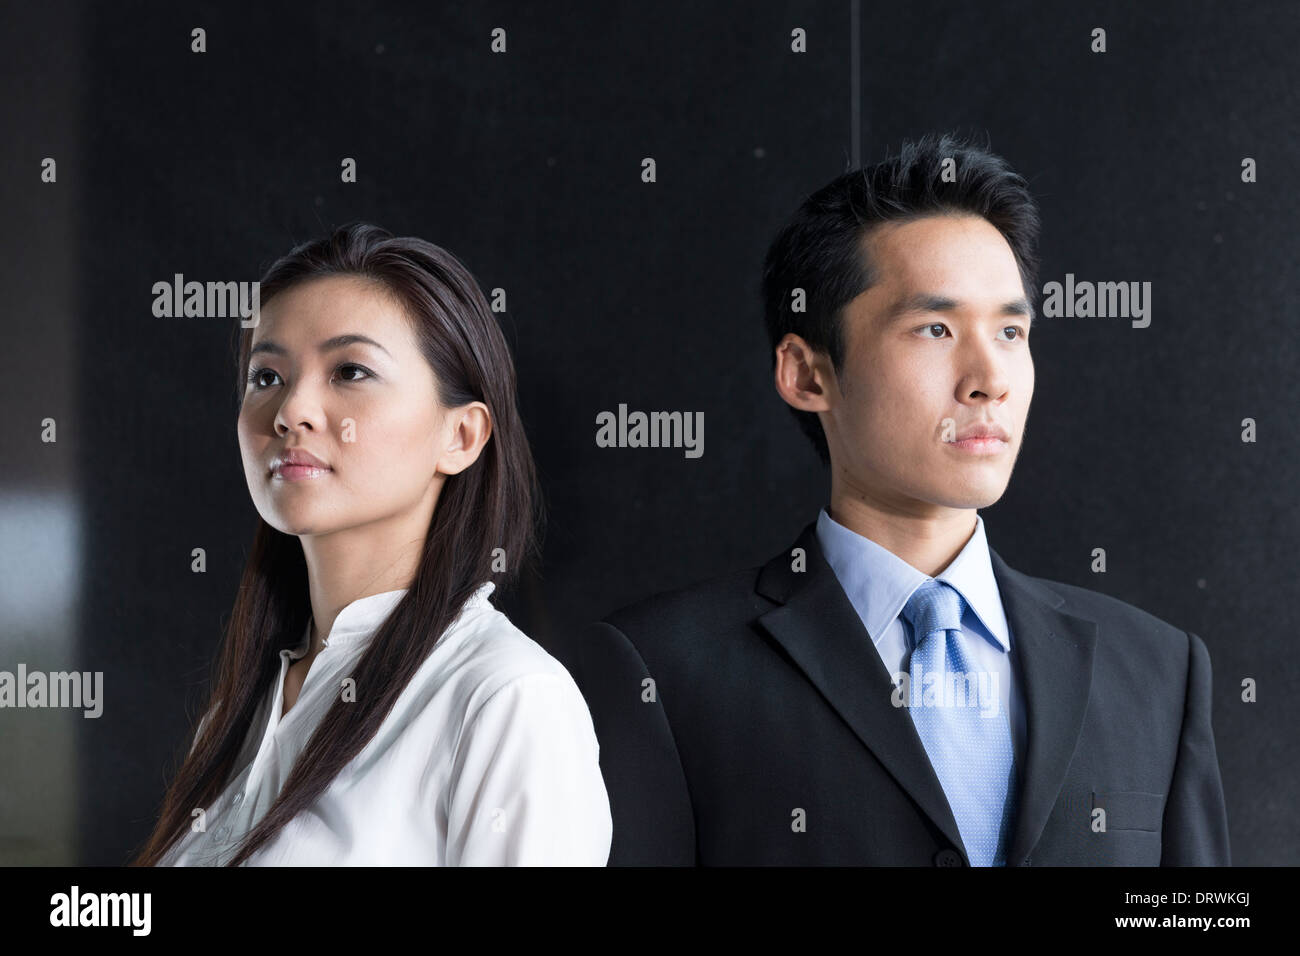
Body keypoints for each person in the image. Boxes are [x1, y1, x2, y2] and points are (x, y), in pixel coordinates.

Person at [546, 133, 1230, 866]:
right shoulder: (664, 670)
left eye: (1010, 329)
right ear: (808, 375)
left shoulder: (1158, 669)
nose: (989, 377)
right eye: (935, 328)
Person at [133, 223, 611, 866]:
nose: (291, 411)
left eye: (350, 371)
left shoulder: (505, 700)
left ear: (462, 437)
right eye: (266, 375)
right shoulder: (241, 710)